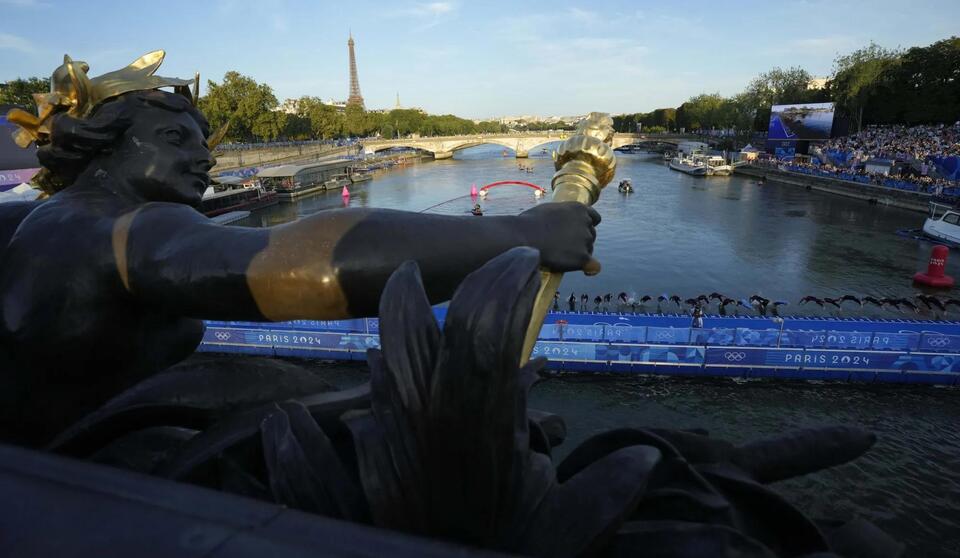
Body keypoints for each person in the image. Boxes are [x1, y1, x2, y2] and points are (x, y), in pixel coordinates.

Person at [0, 54, 601, 445]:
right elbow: (302, 266)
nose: (203, 157)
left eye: (205, 141)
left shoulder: (33, 218)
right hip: (98, 475)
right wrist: (523, 233)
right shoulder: (124, 224)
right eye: (175, 137)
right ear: (101, 144)